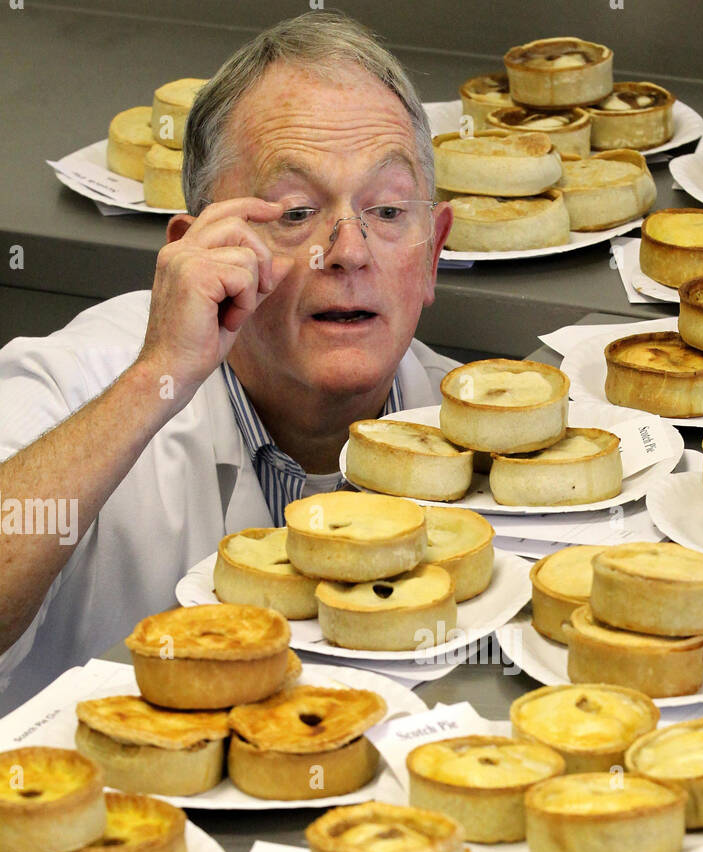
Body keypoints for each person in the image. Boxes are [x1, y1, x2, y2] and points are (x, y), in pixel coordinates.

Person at [0, 11, 455, 712]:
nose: (349, 251)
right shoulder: (73, 385)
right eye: (295, 211)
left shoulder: (486, 434)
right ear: (194, 251)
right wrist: (161, 375)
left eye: (389, 211)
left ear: (433, 253)